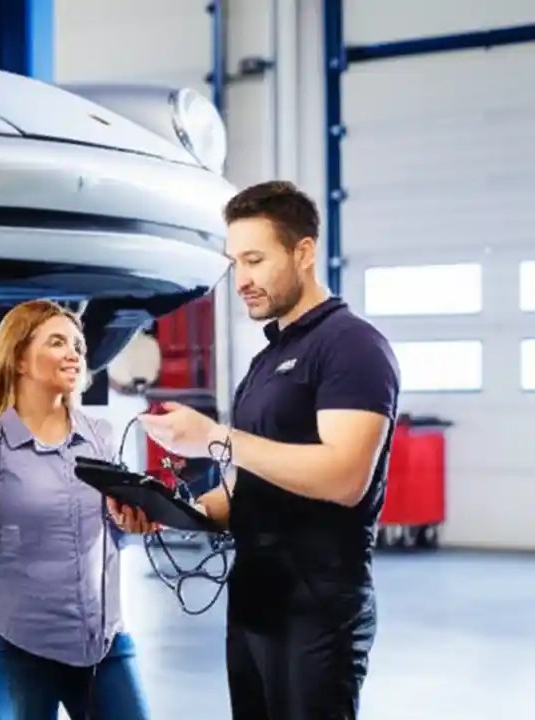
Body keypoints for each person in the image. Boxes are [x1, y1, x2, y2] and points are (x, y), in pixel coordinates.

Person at [129, 180, 400, 720]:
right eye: (236, 262)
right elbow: (245, 486)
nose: (242, 280)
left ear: (303, 252)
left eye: (255, 259)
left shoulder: (352, 346)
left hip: (317, 609)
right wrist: (169, 511)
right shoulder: (265, 361)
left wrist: (214, 437)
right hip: (255, 601)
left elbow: (346, 478)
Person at [0, 299, 152, 720]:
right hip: (16, 642)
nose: (74, 353)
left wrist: (128, 522)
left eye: (78, 345)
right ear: (20, 359)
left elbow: (116, 533)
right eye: (58, 342)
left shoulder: (101, 435)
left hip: (101, 639)